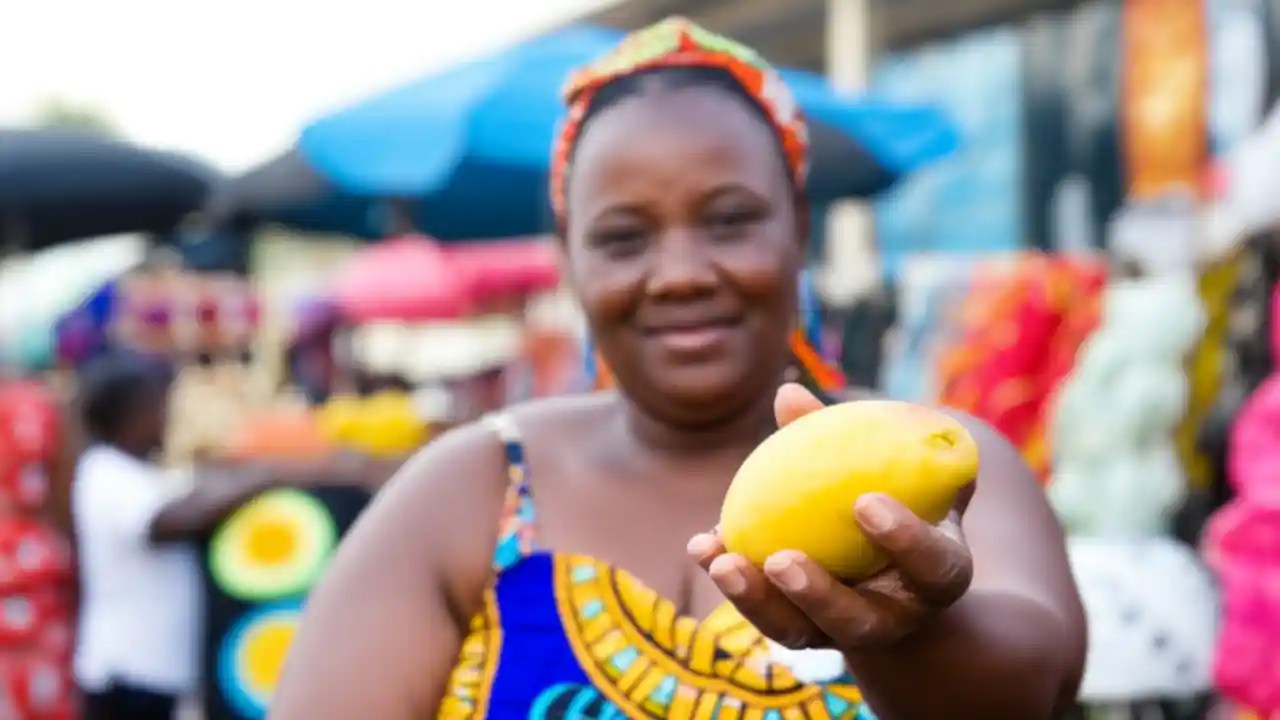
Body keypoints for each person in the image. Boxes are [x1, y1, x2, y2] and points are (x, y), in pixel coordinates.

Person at [271, 18, 1087, 719]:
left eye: (729, 220)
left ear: (797, 225)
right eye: (624, 237)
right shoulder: (472, 489)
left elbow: (1036, 693)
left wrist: (916, 633)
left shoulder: (939, 467)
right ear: (569, 259)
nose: (681, 273)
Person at [72, 353, 305, 720]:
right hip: (127, 670)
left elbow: (195, 490)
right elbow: (168, 521)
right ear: (128, 413)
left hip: (156, 670)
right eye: (156, 407)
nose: (165, 419)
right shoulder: (105, 473)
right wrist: (264, 478)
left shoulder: (143, 474)